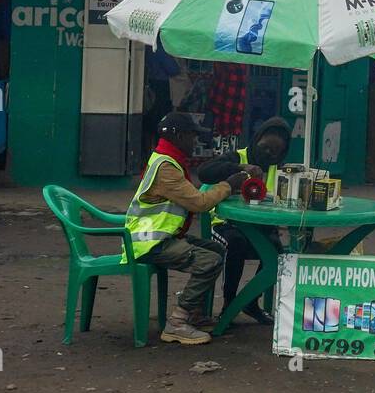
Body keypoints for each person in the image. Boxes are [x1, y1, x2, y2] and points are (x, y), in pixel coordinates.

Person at [122, 111, 232, 346]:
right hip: (150, 243)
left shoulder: (165, 159)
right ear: (179, 136)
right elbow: (200, 203)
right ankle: (177, 323)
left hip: (160, 237)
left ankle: (193, 311)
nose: (195, 142)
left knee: (217, 249)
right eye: (192, 136)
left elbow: (192, 196)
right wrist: (229, 186)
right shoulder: (166, 168)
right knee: (209, 260)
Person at [203, 116, 292, 324]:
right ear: (256, 139)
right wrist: (239, 169)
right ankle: (229, 304)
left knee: (278, 250)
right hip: (225, 226)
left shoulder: (280, 171)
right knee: (236, 243)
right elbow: (205, 172)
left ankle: (252, 300)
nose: (267, 153)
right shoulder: (237, 157)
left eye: (274, 151)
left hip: (259, 228)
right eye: (264, 147)